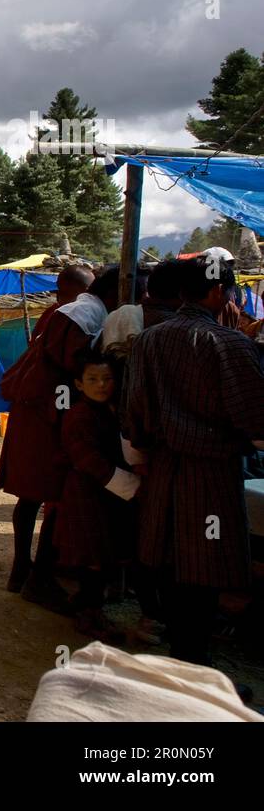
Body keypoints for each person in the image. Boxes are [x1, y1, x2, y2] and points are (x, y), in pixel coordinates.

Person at [125, 254, 264, 670]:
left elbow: (132, 414)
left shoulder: (149, 339)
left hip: (164, 471)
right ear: (219, 291)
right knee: (204, 572)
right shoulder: (230, 344)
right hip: (212, 477)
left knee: (170, 565)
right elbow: (255, 418)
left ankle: (181, 660)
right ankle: (193, 666)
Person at [0, 266, 119, 609]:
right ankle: (35, 576)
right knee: (54, 494)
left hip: (36, 410)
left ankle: (25, 569)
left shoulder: (62, 312)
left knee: (34, 495)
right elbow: (74, 367)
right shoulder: (75, 315)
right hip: (47, 416)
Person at [55, 352, 139, 643]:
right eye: (93, 379)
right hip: (86, 496)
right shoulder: (78, 415)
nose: (101, 385)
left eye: (107, 379)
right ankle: (89, 617)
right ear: (79, 384)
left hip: (104, 495)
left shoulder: (109, 411)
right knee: (93, 560)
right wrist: (132, 486)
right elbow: (86, 459)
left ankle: (91, 610)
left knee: (102, 557)